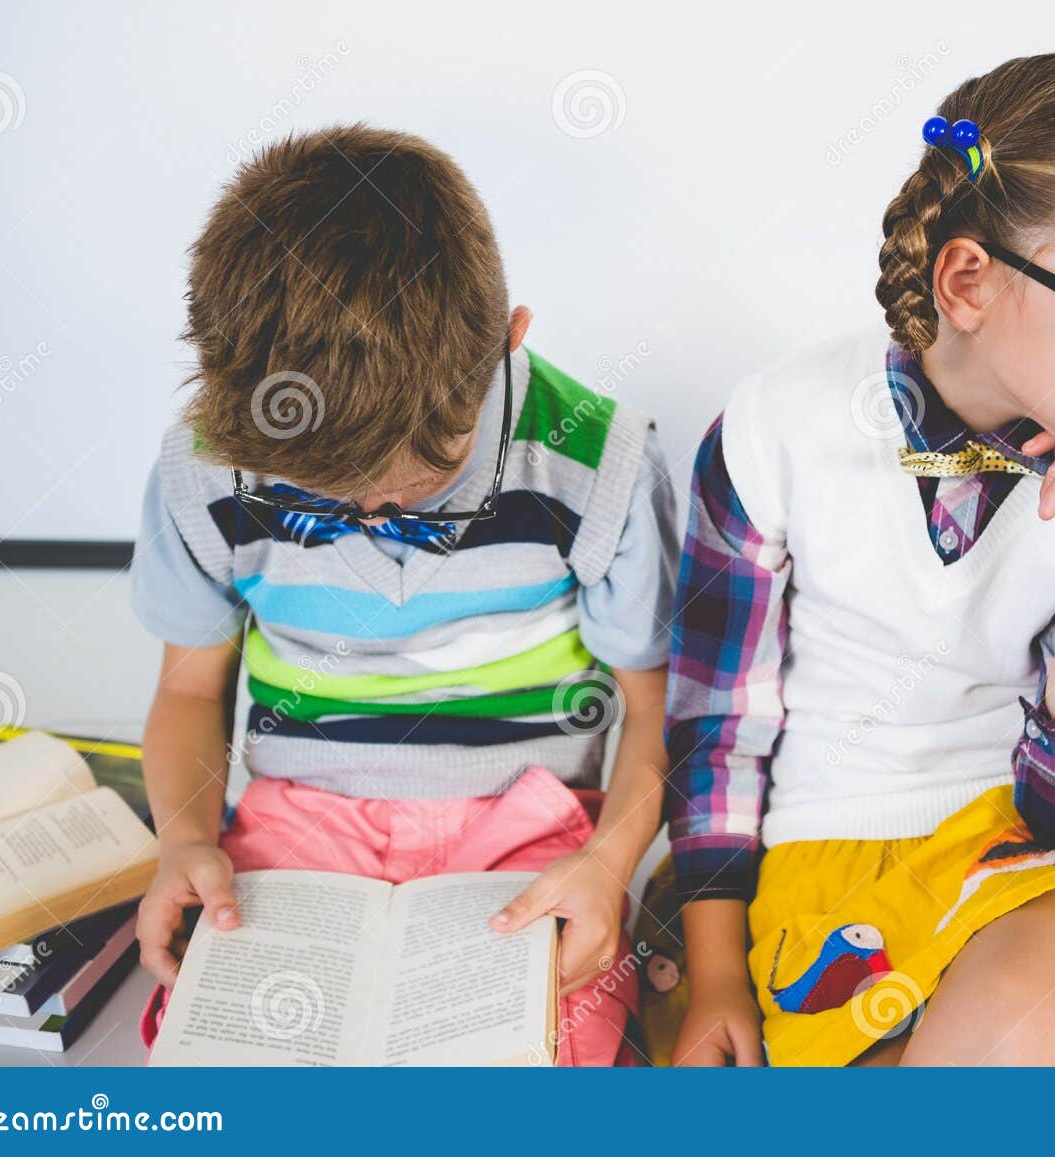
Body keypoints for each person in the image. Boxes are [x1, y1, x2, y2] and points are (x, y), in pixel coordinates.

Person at [648, 52, 1055, 1066]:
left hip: (1025, 856)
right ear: (969, 280)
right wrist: (716, 966)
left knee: (1018, 1023)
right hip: (821, 851)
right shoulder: (776, 429)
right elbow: (718, 729)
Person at [129, 124, 679, 1066]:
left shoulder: (601, 461)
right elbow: (187, 692)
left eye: (415, 484)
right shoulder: (210, 463)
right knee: (219, 1057)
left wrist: (608, 864)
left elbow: (656, 716)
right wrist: (183, 843)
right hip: (297, 826)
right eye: (325, 491)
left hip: (529, 830)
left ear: (509, 343)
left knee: (551, 1056)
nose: (372, 511)